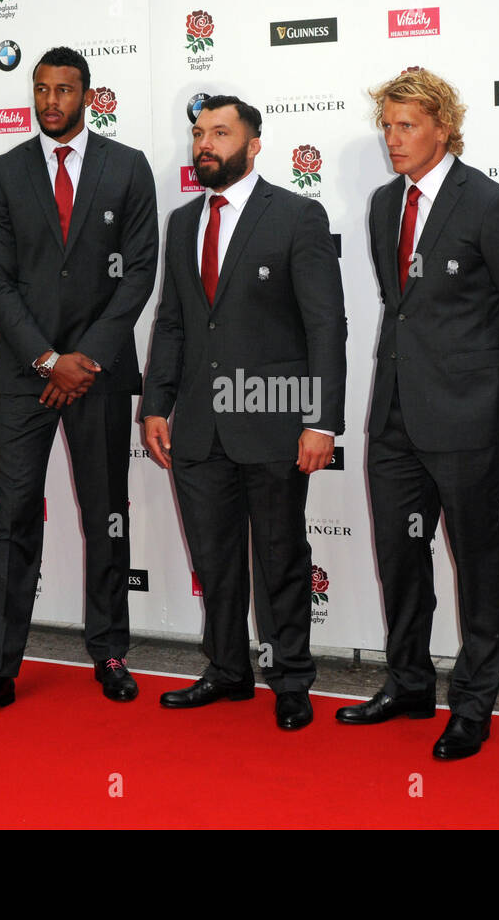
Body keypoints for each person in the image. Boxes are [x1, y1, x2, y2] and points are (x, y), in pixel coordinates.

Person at [339, 68, 499, 760]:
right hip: (396, 416)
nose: (393, 138)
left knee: (478, 561)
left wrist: (493, 389)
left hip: (468, 421)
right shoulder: (381, 204)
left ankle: (473, 702)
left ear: (443, 128)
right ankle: (408, 682)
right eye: (388, 125)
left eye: (407, 126)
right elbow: (402, 310)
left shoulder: (490, 204)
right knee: (399, 556)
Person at [0, 46, 159, 726]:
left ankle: (109, 651)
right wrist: (48, 360)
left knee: (106, 512)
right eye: (41, 90)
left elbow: (139, 273)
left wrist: (86, 358)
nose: (50, 102)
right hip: (26, 376)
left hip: (97, 377)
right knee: (13, 516)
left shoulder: (127, 167)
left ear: (89, 95)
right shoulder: (4, 173)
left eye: (64, 90)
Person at [140, 95, 346, 731]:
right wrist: (156, 403)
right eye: (199, 132)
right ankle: (227, 670)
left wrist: (321, 421)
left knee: (281, 556)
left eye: (220, 133)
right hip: (199, 425)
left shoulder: (297, 216)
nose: (205, 143)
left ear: (254, 144)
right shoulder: (181, 223)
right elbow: (172, 322)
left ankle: (290, 679)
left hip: (275, 421)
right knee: (216, 558)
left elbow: (325, 327)